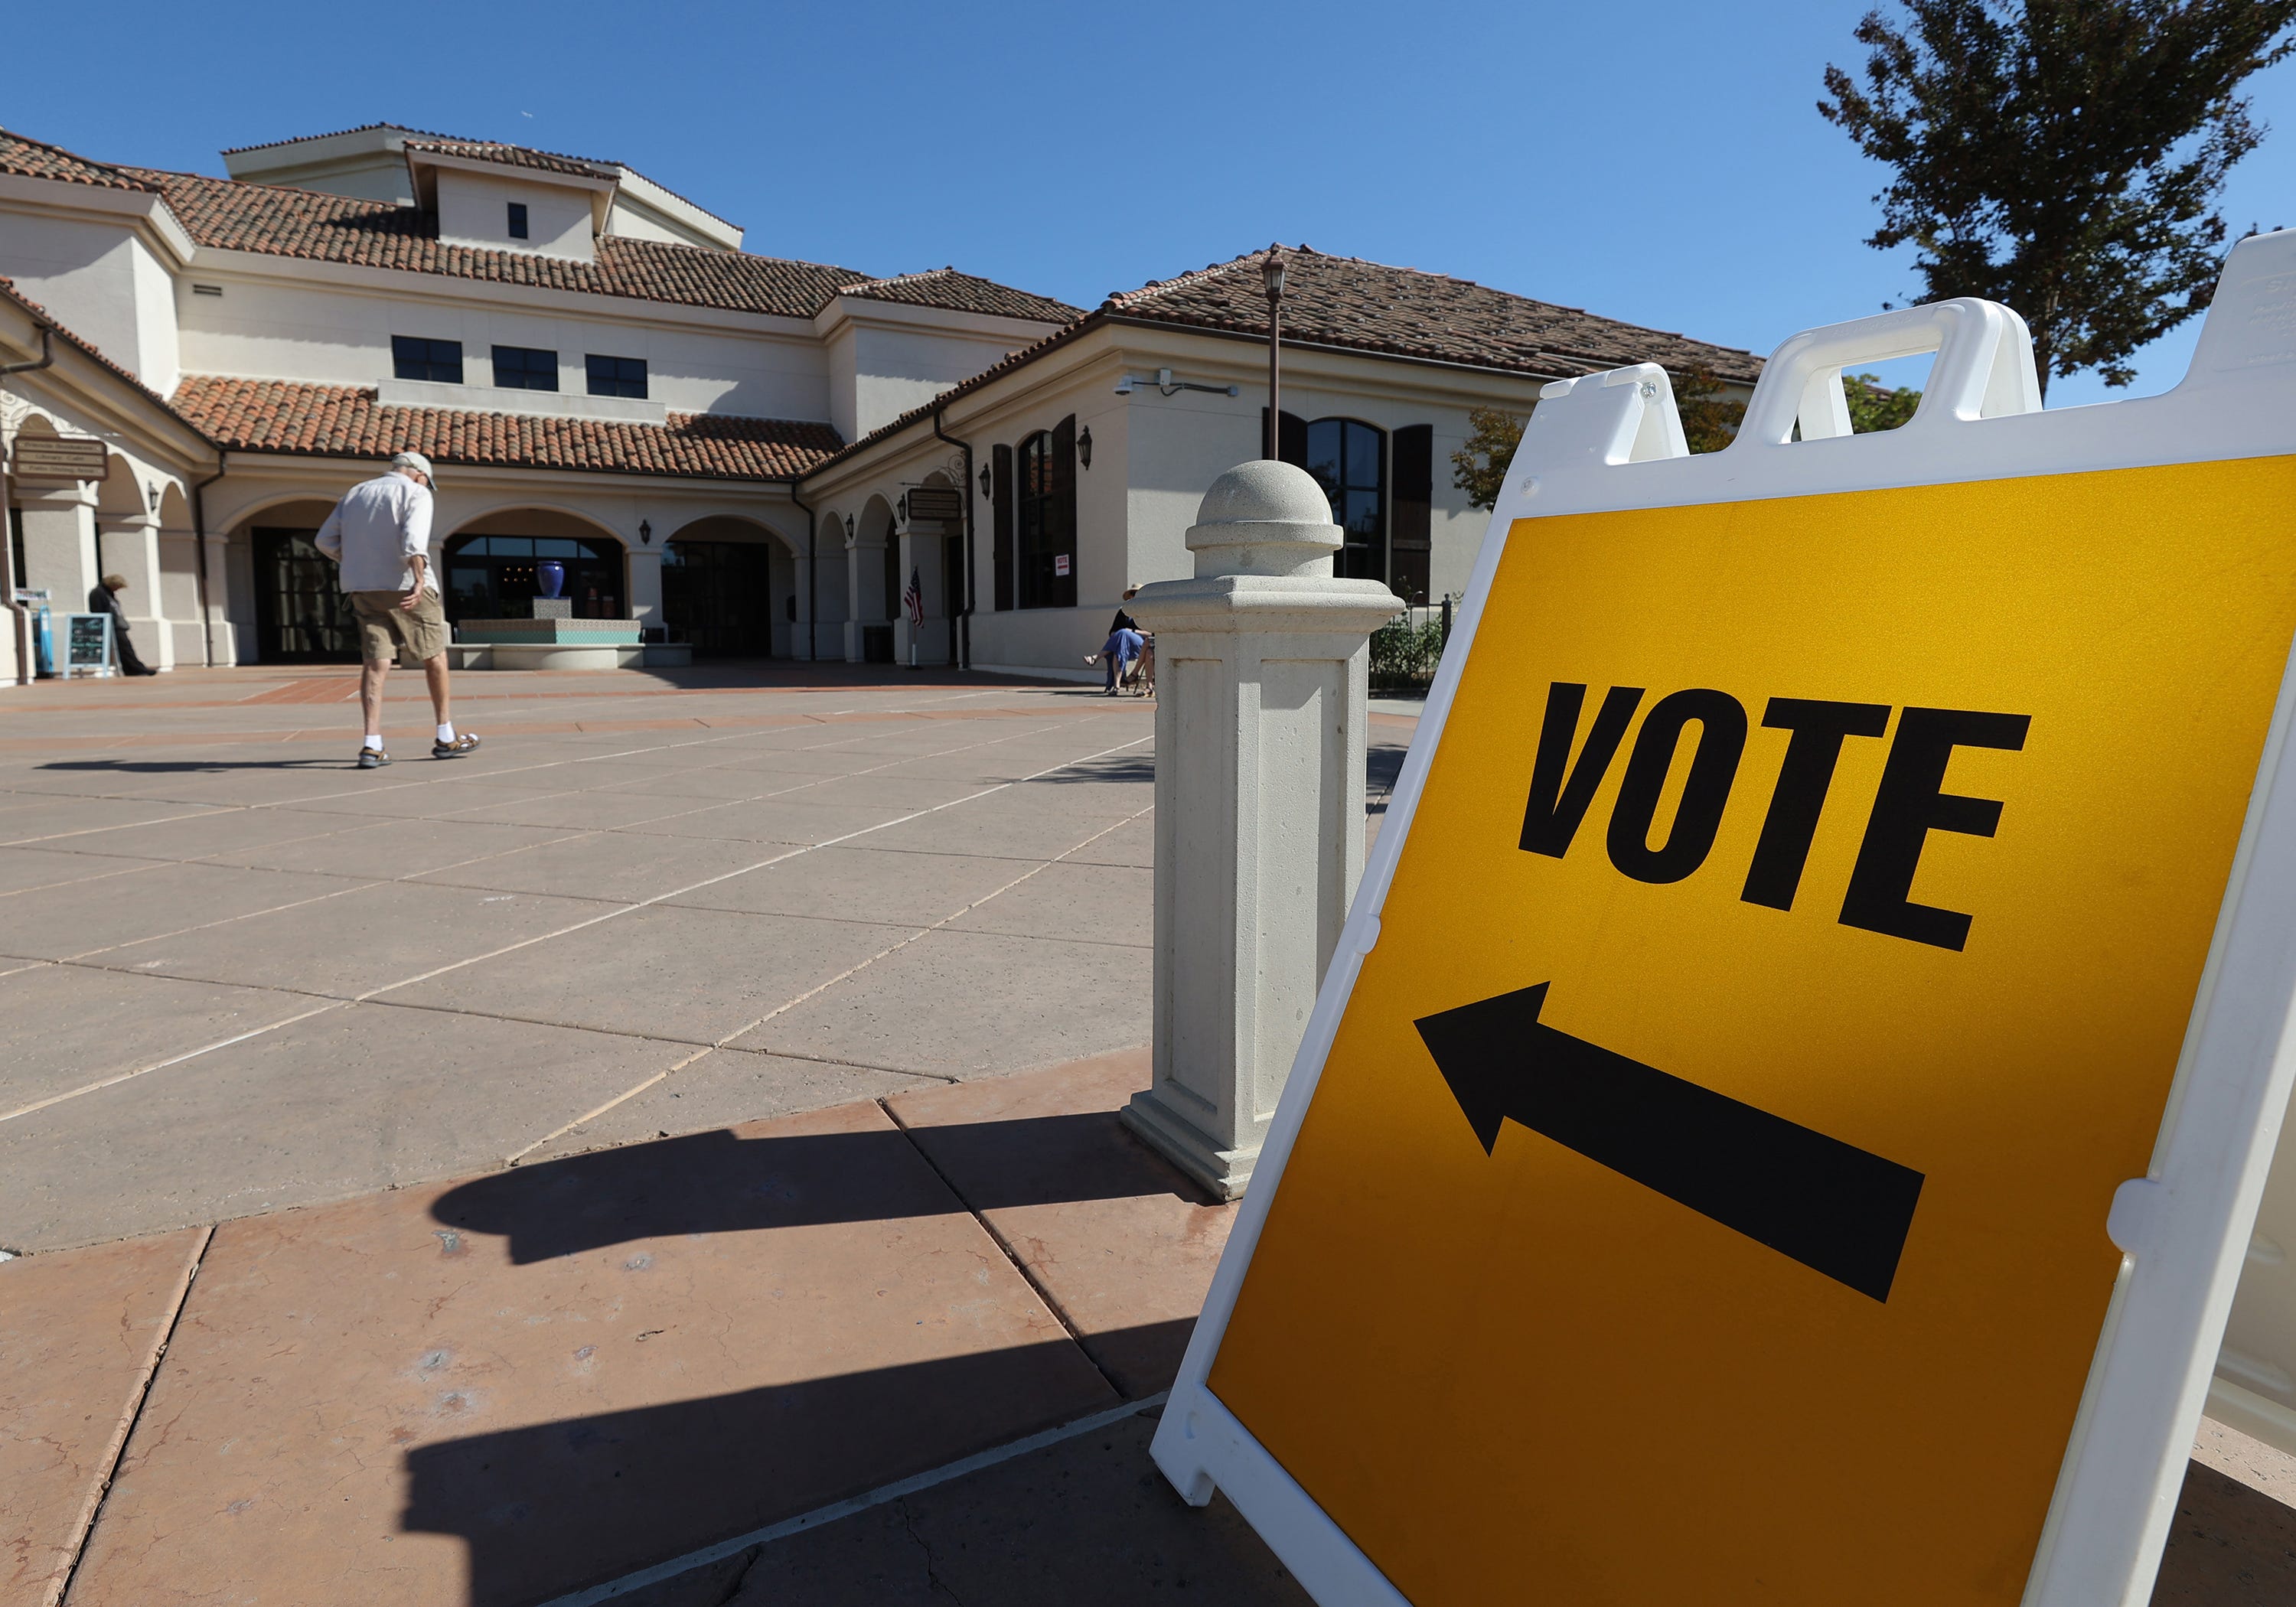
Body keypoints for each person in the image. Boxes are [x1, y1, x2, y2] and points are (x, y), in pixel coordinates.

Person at [314, 451, 479, 770]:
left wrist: (356, 563)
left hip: (364, 588)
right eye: (428, 482)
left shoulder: (355, 493)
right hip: (406, 586)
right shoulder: (415, 492)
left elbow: (324, 541)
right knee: (434, 656)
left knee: (376, 664)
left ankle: (371, 745)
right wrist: (419, 581)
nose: (427, 487)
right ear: (419, 475)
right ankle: (446, 736)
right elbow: (413, 542)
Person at [87, 574, 157, 675]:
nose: (117, 590)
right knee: (125, 649)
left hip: (117, 625)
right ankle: (136, 669)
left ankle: (132, 669)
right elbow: (98, 611)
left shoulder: (108, 593)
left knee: (126, 649)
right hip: (112, 626)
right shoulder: (98, 593)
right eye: (117, 587)